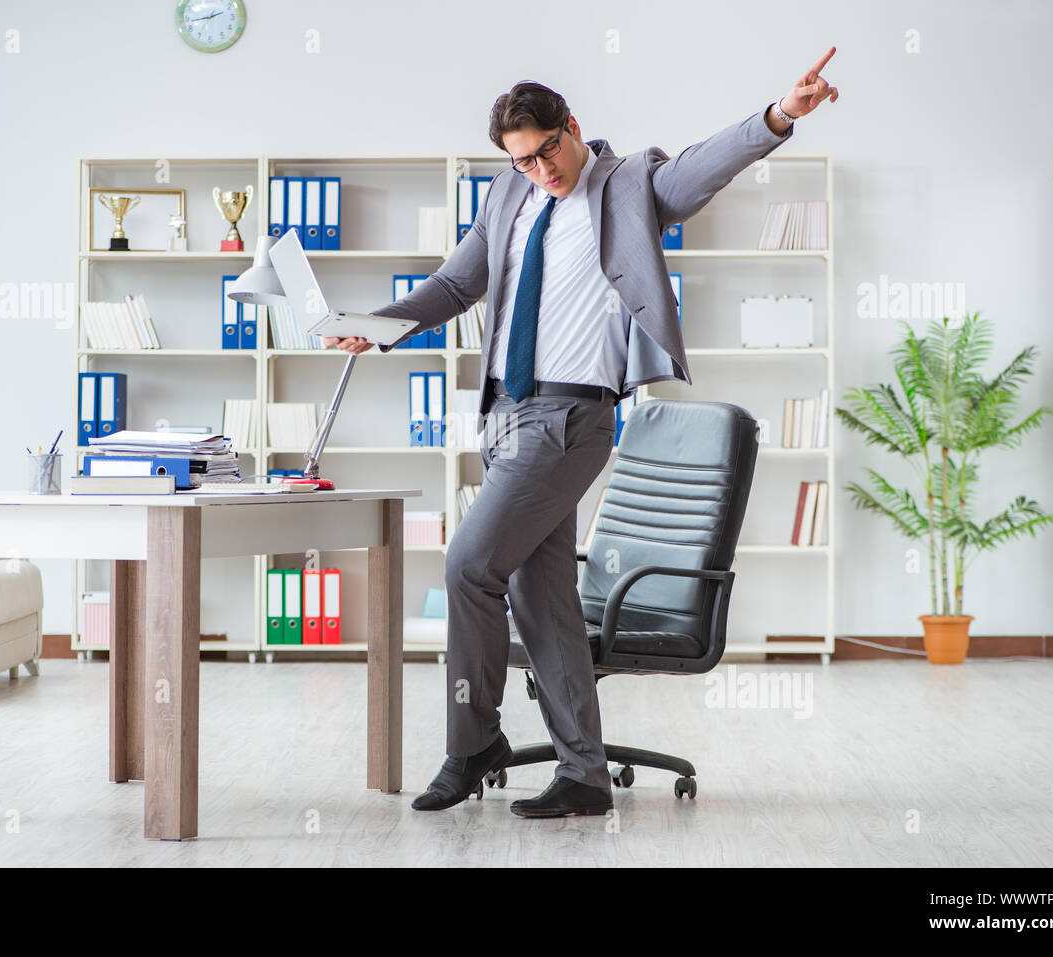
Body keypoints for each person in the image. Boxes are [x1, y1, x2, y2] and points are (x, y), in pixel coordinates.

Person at [324, 49, 839, 817]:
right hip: (503, 416)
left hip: (570, 417)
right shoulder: (507, 198)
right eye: (522, 161)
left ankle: (472, 745)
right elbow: (457, 283)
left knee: (468, 566)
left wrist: (779, 116)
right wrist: (379, 327)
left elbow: (701, 170)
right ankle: (585, 774)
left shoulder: (628, 184)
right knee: (543, 597)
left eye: (546, 151)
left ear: (573, 128)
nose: (540, 171)